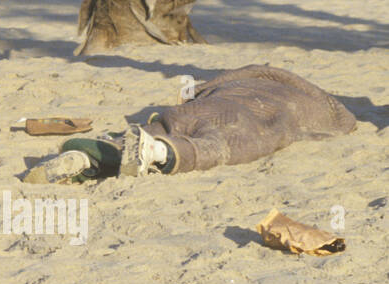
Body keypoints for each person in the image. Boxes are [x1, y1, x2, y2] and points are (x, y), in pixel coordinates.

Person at [26, 65, 357, 183]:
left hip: (200, 107)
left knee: (164, 125)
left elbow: (192, 94)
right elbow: (342, 118)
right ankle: (159, 154)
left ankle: (95, 154)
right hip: (245, 117)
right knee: (225, 145)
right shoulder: (295, 98)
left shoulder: (226, 84)